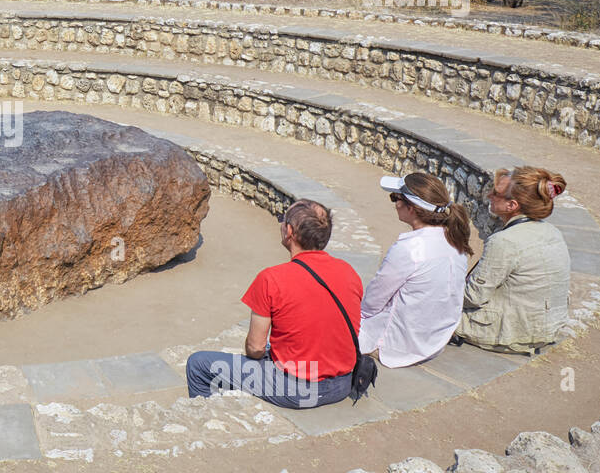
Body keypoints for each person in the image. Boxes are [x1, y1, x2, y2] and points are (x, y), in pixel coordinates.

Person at [186, 199, 362, 408]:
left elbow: (255, 348)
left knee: (198, 365)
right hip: (342, 383)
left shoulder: (272, 278)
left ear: (289, 231)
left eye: (282, 220)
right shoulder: (349, 272)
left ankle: (204, 412)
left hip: (298, 390)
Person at [359, 173, 472, 366]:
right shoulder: (455, 238)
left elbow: (372, 303)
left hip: (401, 345)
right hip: (434, 338)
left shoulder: (409, 248)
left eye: (396, 198)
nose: (395, 203)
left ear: (411, 209)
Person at [454, 166, 571, 354]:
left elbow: (472, 297)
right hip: (548, 326)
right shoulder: (552, 232)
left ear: (512, 206)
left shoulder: (504, 242)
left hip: (515, 333)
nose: (489, 196)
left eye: (496, 193)